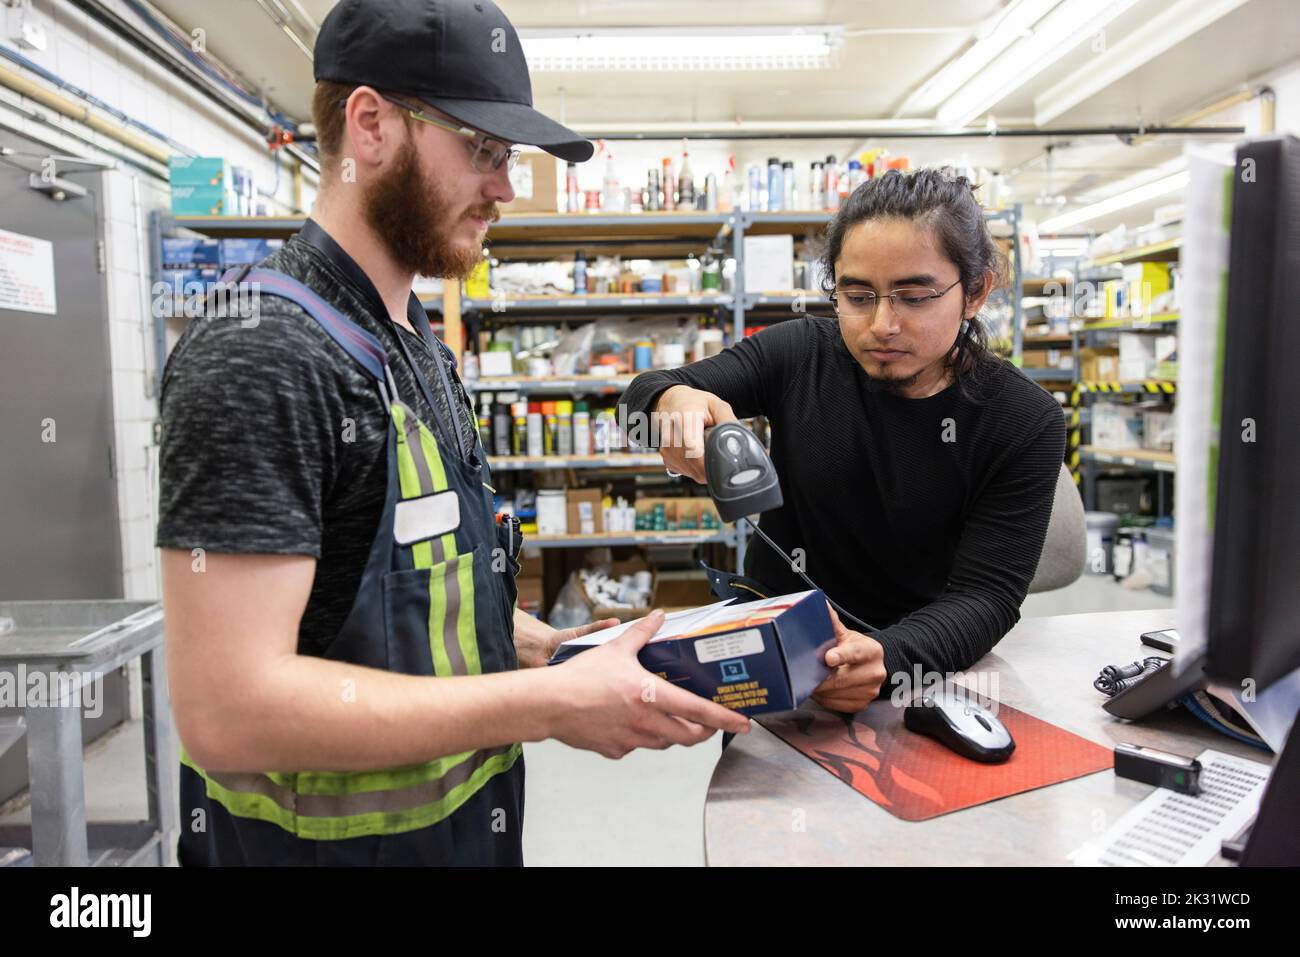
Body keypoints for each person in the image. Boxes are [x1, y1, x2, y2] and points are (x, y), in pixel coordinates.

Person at [156, 0, 748, 867]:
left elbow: (410, 611)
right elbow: (227, 711)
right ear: (371, 126)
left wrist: (561, 653)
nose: (506, 188)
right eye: (484, 149)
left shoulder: (415, 344)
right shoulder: (262, 357)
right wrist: (543, 706)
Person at [622, 168, 1066, 711]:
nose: (883, 324)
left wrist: (887, 657)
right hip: (779, 656)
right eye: (858, 296)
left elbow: (986, 597)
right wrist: (670, 402)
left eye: (914, 296)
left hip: (924, 666)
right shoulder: (800, 353)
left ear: (974, 292)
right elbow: (642, 394)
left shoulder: (1024, 418)